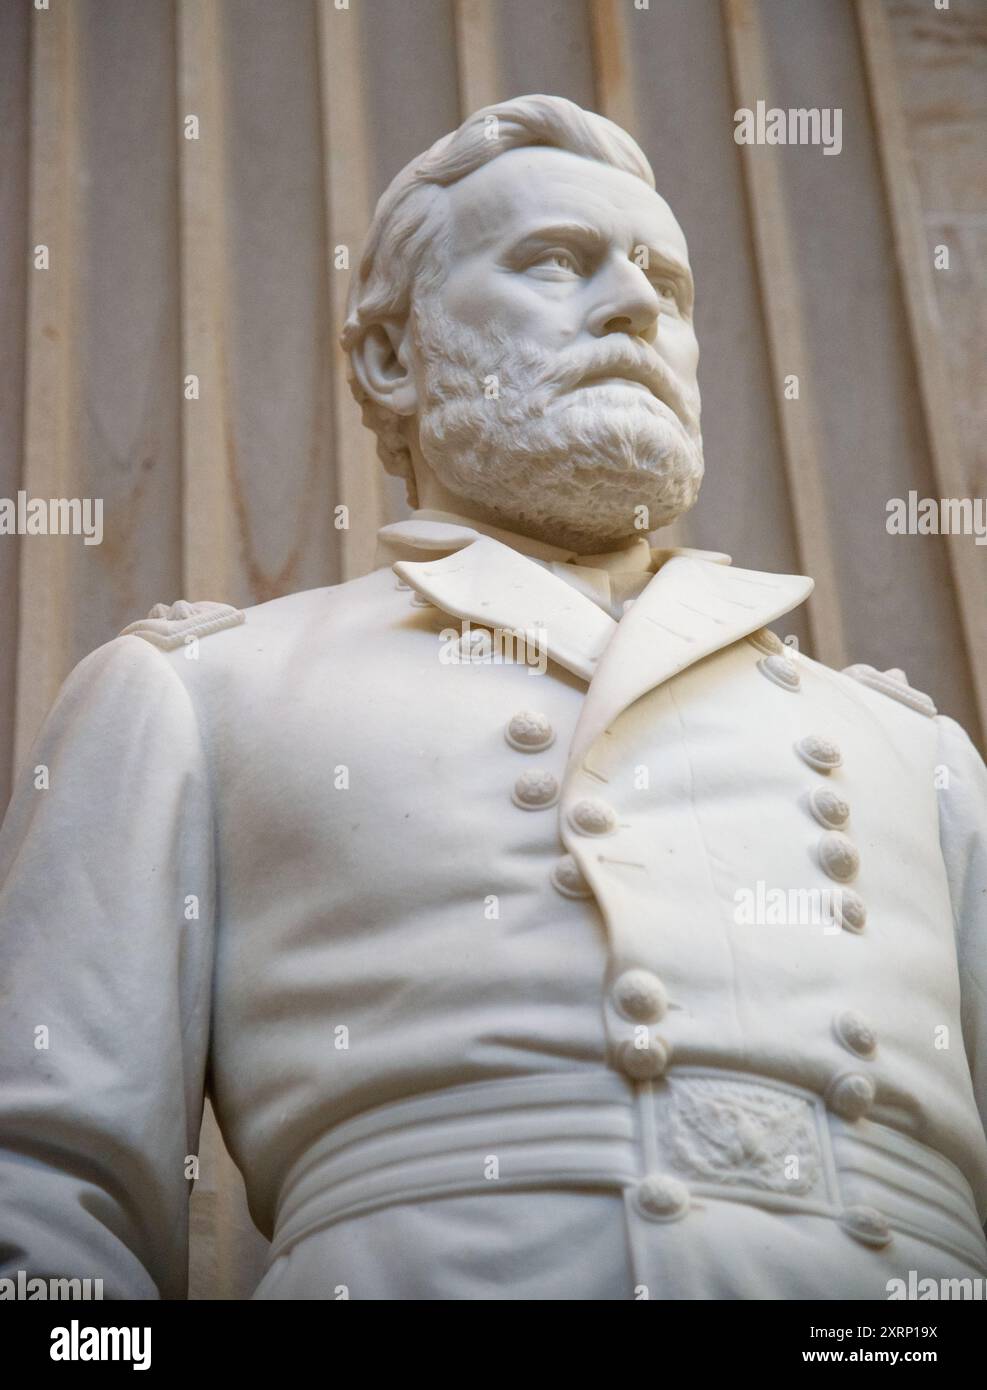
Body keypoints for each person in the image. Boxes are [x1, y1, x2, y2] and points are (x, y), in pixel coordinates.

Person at [1, 94, 985, 1300]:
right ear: (392, 356)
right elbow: (41, 1189)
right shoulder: (200, 699)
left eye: (665, 287)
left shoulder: (912, 754)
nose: (635, 305)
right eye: (556, 263)